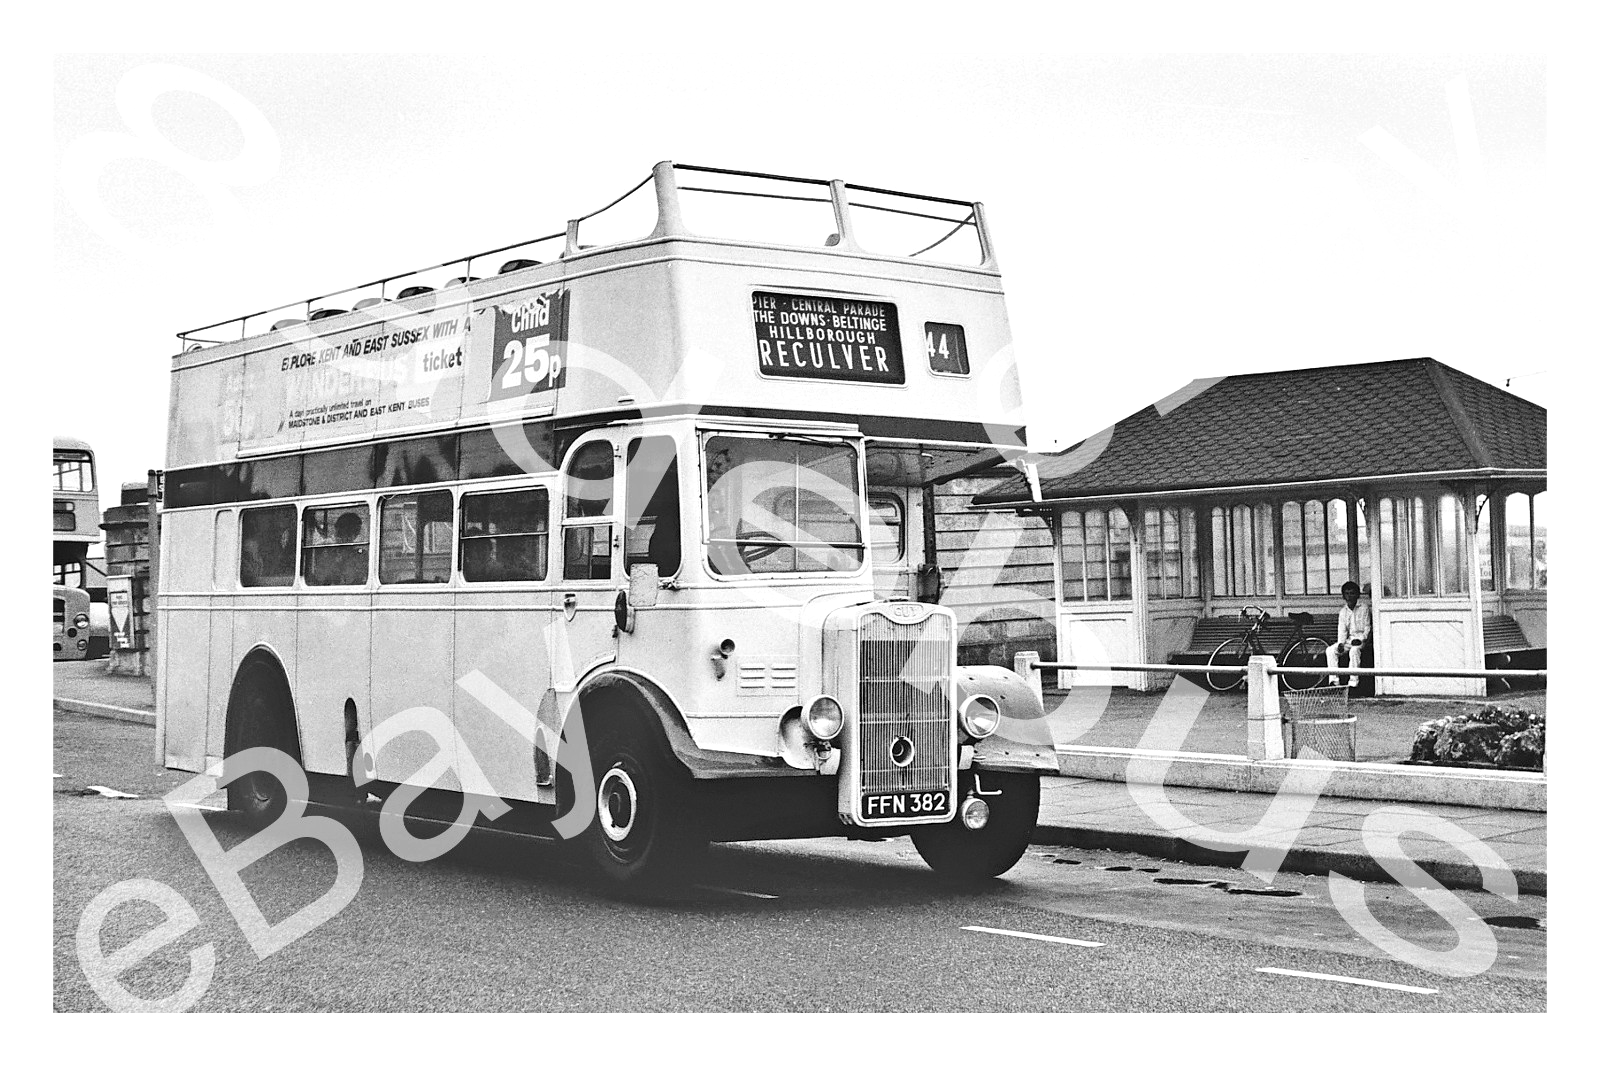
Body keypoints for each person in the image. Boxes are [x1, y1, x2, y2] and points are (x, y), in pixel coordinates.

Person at [1325, 580, 1372, 688]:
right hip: (1348, 640)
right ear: (1343, 596)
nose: (1349, 596)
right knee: (1330, 650)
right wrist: (1341, 643)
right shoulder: (1343, 612)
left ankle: (1353, 682)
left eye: (1352, 593)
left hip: (1362, 640)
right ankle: (1334, 681)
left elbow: (1367, 628)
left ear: (1357, 595)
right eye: (1347, 593)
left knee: (1354, 650)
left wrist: (1361, 639)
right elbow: (1342, 630)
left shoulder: (1363, 608)